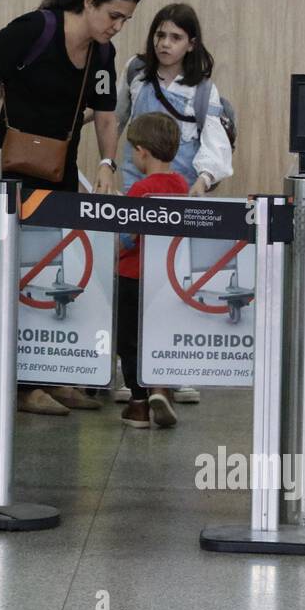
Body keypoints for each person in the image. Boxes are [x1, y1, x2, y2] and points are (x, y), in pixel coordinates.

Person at [0, 0, 140, 415]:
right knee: (14, 275)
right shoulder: (38, 28)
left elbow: (104, 113)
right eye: (113, 16)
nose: (116, 27)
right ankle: (19, 384)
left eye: (124, 21)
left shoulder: (102, 53)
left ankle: (50, 374)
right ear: (88, 2)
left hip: (56, 170)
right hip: (13, 171)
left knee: (50, 272)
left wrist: (106, 163)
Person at [112, 3, 233, 407]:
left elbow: (215, 142)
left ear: (191, 43)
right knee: (131, 281)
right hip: (134, 191)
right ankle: (132, 374)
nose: (165, 44)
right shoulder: (135, 72)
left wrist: (202, 181)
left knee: (173, 284)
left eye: (175, 37)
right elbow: (115, 119)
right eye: (160, 35)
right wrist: (106, 163)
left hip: (178, 198)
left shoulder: (204, 91)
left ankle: (174, 371)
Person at [115, 113, 190, 427]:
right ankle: (161, 386)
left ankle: (139, 402)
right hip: (165, 281)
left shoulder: (140, 191)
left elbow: (127, 240)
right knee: (159, 336)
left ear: (142, 151)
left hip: (133, 278)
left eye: (133, 149)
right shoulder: (181, 185)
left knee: (129, 341)